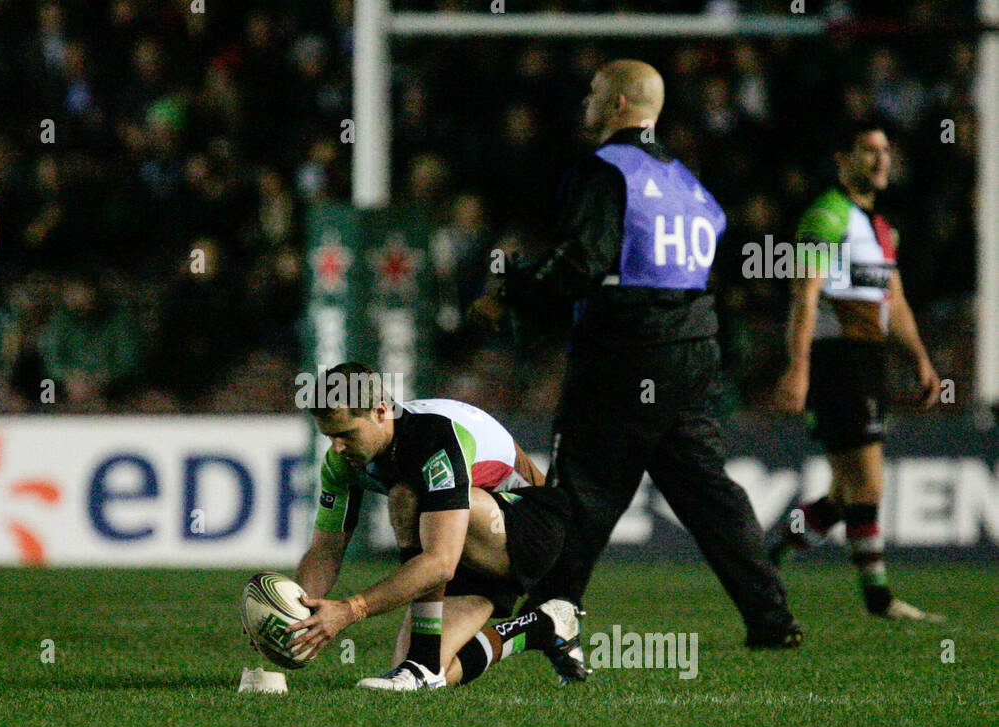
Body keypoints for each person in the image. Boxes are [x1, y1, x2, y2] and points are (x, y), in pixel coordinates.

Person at [469, 59, 801, 648]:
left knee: (579, 492)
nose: (587, 101)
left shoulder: (605, 170)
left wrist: (513, 291)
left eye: (595, 91)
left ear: (620, 104)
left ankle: (548, 616)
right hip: (695, 345)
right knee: (710, 494)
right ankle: (772, 618)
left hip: (625, 347)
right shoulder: (692, 184)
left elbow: (581, 261)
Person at [284, 363, 588, 690]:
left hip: (533, 523)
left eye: (346, 434)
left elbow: (440, 563)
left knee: (406, 495)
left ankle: (424, 662)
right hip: (468, 540)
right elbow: (326, 550)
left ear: (380, 411)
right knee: (428, 674)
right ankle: (542, 627)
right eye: (330, 437)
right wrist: (294, 614)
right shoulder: (340, 463)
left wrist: (350, 610)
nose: (338, 448)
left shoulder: (433, 436)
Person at [770, 119, 943, 622]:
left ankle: (769, 555)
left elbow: (897, 302)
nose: (881, 160)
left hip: (867, 361)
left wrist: (920, 360)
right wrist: (798, 369)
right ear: (842, 160)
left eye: (885, 151)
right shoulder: (826, 216)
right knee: (866, 485)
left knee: (848, 493)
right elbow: (803, 297)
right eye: (868, 150)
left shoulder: (882, 228)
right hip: (836, 360)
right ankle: (879, 598)